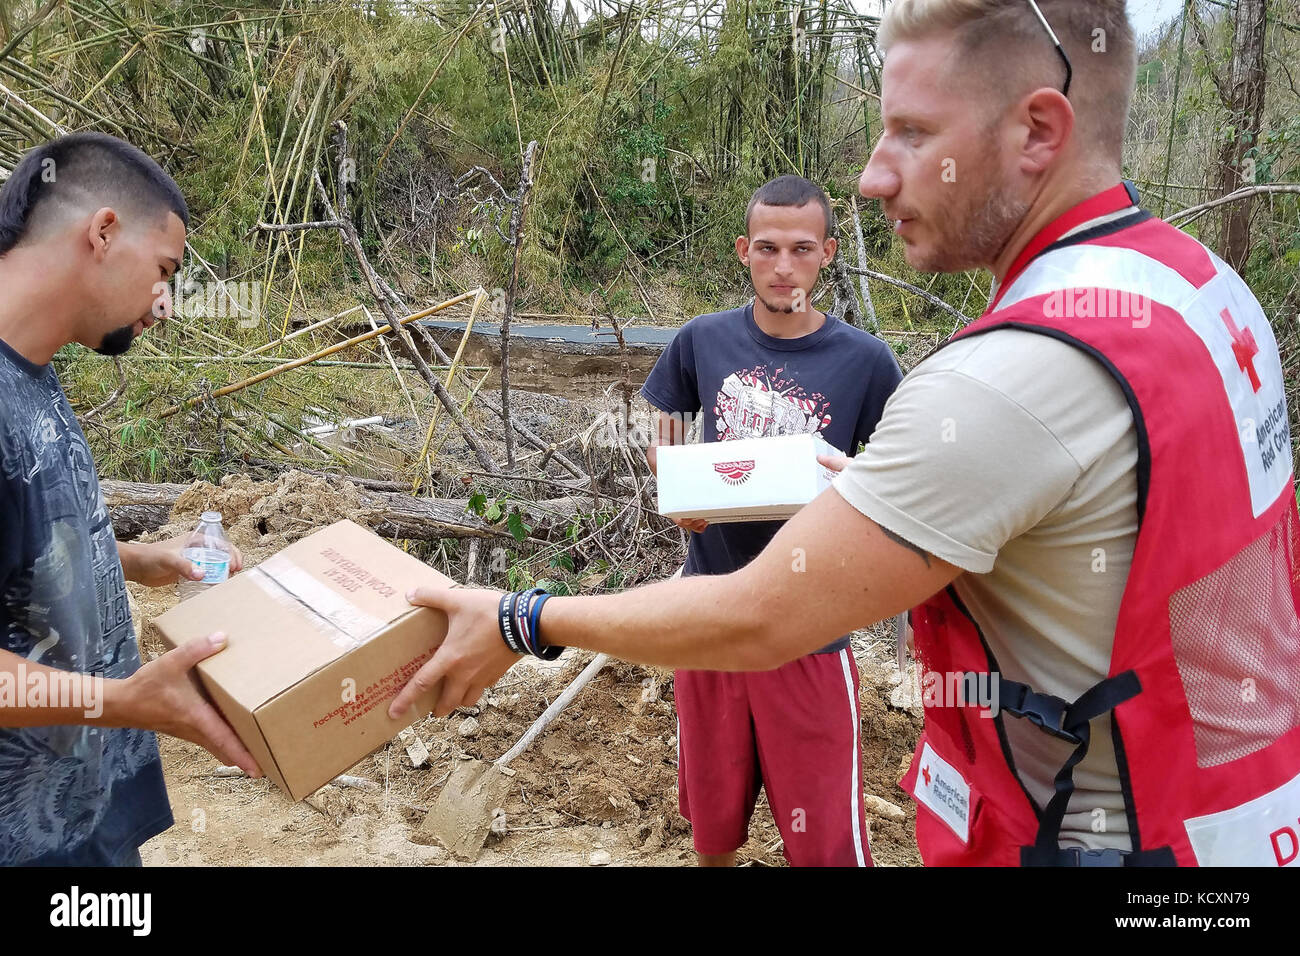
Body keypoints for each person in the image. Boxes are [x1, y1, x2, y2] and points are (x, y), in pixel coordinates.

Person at [391, 0, 1300, 867]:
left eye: (913, 132)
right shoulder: (1196, 287)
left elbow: (762, 618)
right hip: (1231, 813)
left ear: (1037, 132)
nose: (872, 176)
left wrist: (521, 618)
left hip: (1096, 833)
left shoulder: (1008, 378)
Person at [0, 132, 261, 867]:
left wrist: (144, 559)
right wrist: (122, 702)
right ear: (103, 231)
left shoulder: (32, 369)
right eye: (163, 271)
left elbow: (26, 545)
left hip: (85, 815)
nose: (166, 304)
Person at [641, 175, 902, 866]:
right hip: (710, 611)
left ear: (828, 254)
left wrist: (855, 489)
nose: (783, 266)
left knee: (825, 843)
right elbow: (664, 427)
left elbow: (899, 473)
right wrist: (676, 490)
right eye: (766, 248)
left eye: (801, 248)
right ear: (742, 251)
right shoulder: (701, 341)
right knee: (713, 825)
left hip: (810, 623)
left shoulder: (866, 362)